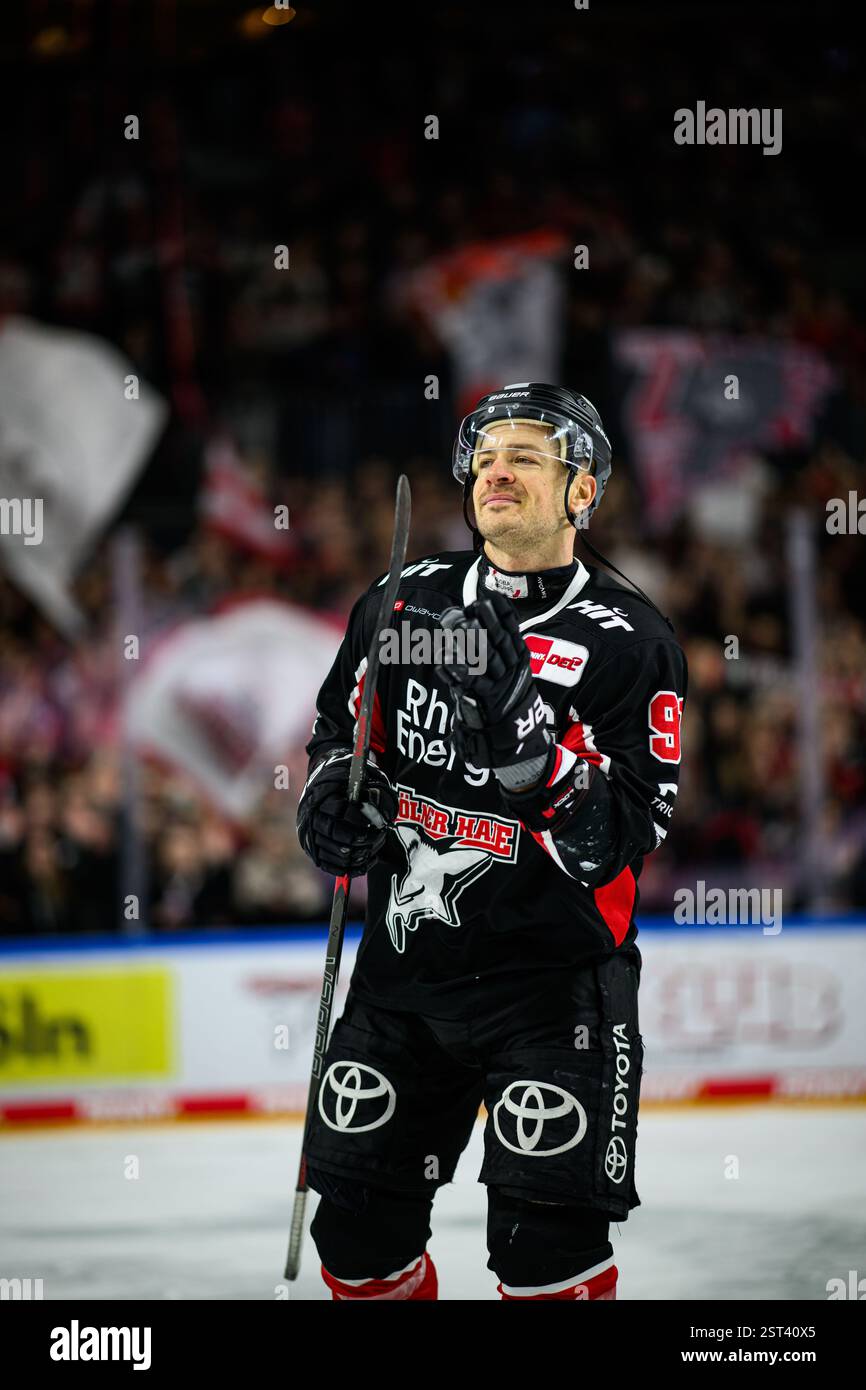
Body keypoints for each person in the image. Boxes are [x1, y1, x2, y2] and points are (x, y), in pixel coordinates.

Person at [296, 384, 687, 1300]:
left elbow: (622, 842)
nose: (495, 471)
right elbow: (334, 732)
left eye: (526, 457)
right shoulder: (399, 603)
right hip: (403, 981)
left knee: (542, 1248)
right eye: (486, 454)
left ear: (581, 492)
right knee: (353, 1233)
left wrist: (534, 760)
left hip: (553, 991)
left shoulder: (633, 642)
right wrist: (327, 800)